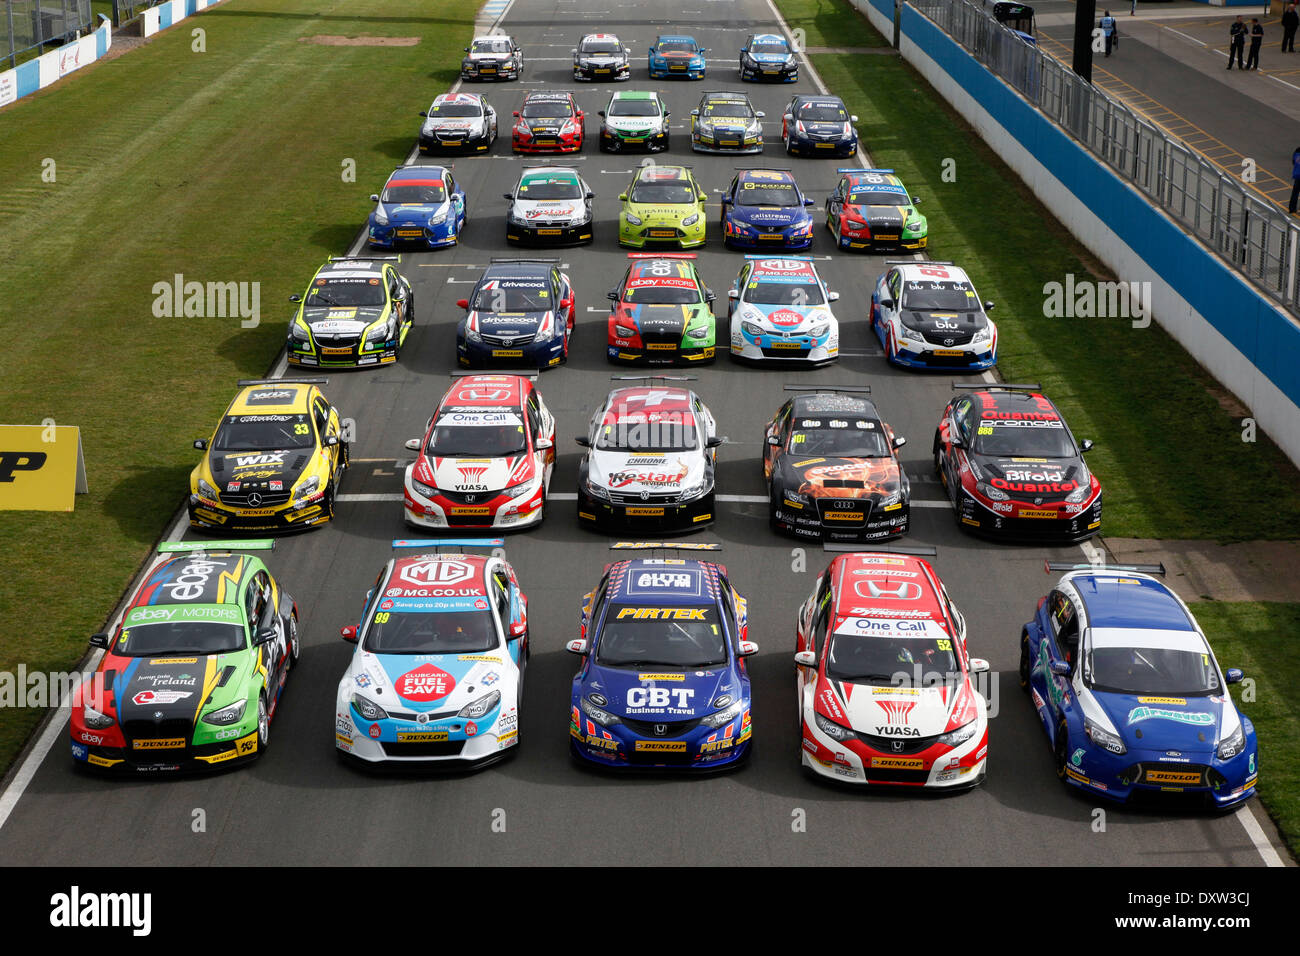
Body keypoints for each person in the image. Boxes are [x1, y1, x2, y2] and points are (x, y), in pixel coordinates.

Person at [1289, 146, 1300, 214]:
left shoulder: (1297, 152)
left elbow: (1293, 162)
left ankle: (1292, 208)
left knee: (1295, 193)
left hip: (1297, 175)